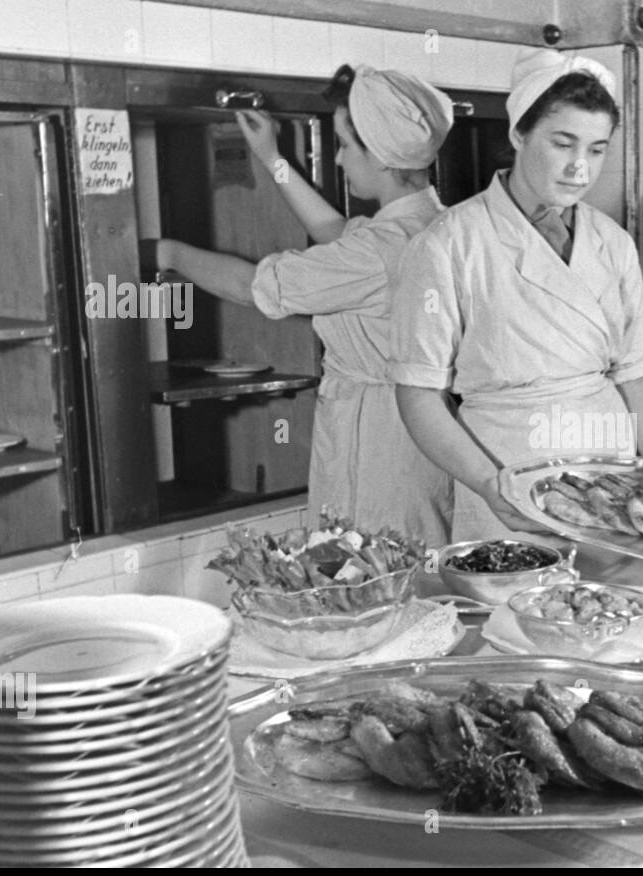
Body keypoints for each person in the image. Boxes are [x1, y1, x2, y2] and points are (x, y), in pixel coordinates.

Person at [148, 65, 454, 544]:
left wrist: (168, 254)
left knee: (370, 570)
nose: (338, 160)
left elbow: (251, 286)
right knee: (414, 558)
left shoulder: (377, 251)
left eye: (346, 146)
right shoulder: (437, 224)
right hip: (426, 432)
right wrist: (270, 157)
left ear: (383, 157)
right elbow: (336, 235)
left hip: (376, 439)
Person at [389, 49, 643, 539]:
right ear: (519, 134)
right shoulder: (449, 243)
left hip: (612, 472)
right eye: (563, 144)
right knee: (516, 609)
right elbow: (418, 395)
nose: (580, 169)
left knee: (614, 608)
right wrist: (490, 485)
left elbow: (637, 376)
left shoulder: (612, 243)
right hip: (510, 470)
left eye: (596, 149)